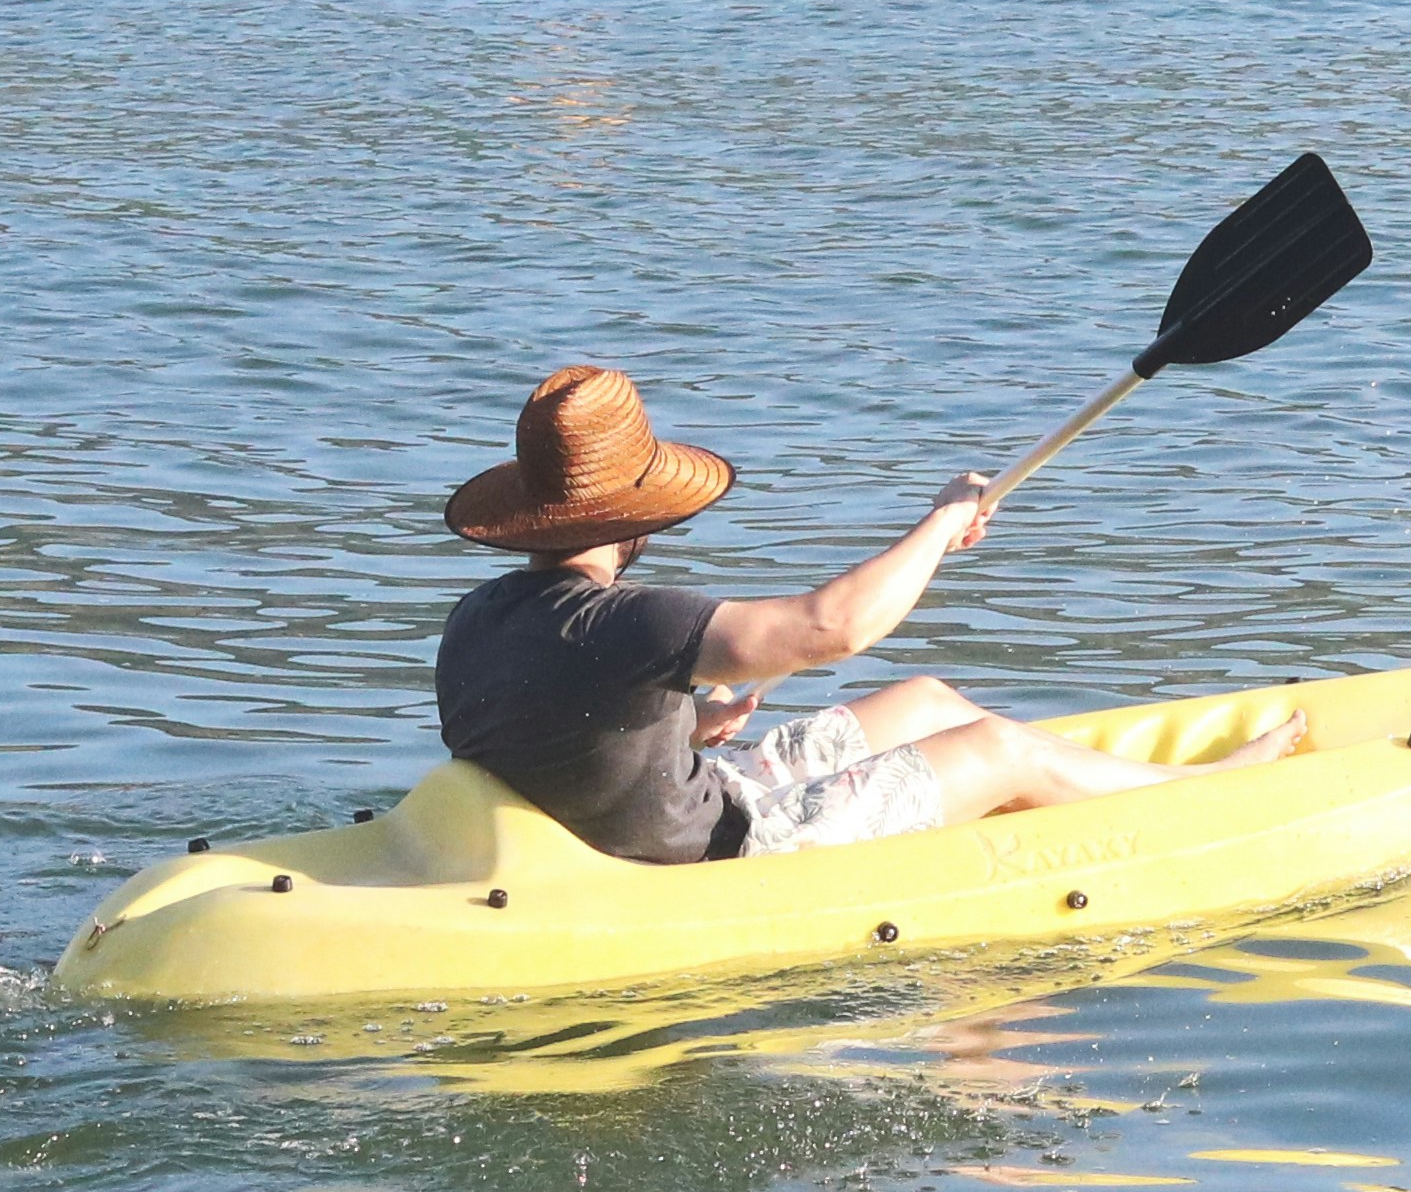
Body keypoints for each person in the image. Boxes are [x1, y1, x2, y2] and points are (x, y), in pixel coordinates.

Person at [433, 365, 1297, 862]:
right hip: (734, 849)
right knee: (1000, 749)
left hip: (691, 791)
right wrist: (942, 523)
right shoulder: (626, 621)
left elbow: (555, 727)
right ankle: (1204, 794)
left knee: (924, 698)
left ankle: (1097, 782)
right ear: (640, 520)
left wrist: (688, 721)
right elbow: (832, 628)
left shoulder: (479, 614)